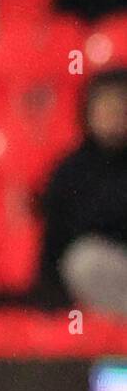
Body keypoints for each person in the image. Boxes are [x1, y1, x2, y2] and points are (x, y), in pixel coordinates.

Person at [38, 68, 127, 314]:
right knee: (84, 260)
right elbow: (55, 241)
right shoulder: (70, 171)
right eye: (106, 107)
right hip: (107, 277)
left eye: (121, 107)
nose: (114, 115)